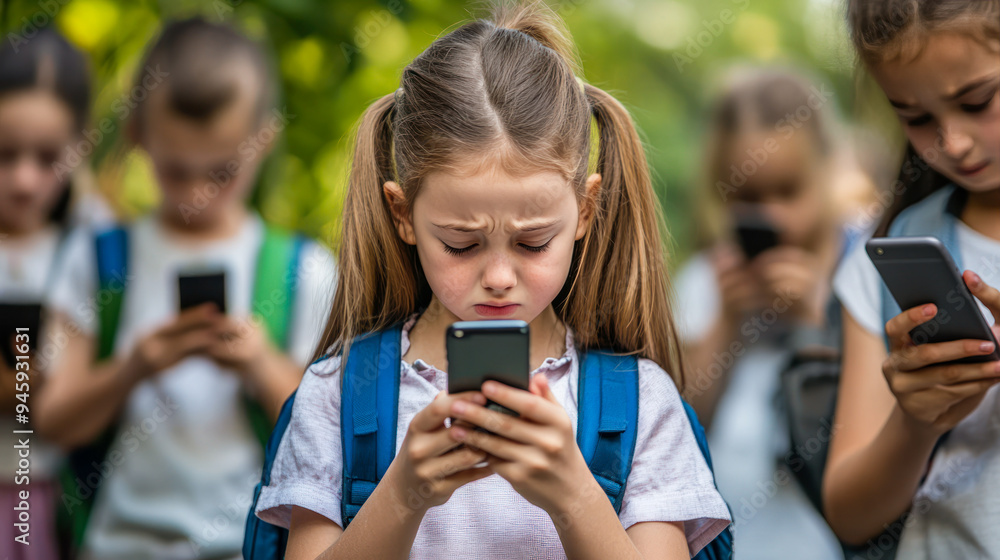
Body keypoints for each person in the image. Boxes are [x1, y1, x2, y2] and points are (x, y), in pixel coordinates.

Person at [252, 2, 732, 559]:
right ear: (403, 215)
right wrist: (403, 495)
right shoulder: (336, 397)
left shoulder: (641, 402)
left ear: (586, 209)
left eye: (533, 243)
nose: (499, 278)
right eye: (460, 244)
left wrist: (574, 496)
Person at [35, 18, 336, 560]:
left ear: (262, 139)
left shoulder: (304, 270)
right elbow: (48, 419)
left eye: (221, 172)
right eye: (176, 170)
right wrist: (136, 366)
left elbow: (327, 445)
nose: (197, 192)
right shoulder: (96, 257)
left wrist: (259, 363)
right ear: (137, 136)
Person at [824, 0, 1000, 557]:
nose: (953, 143)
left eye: (977, 102)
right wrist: (917, 423)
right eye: (916, 117)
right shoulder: (894, 256)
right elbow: (850, 515)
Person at [672, 67, 845, 559]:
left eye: (788, 192)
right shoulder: (706, 282)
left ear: (827, 171)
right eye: (747, 197)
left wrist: (816, 320)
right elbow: (677, 427)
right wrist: (724, 326)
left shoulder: (862, 273)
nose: (771, 217)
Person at [0, 27, 96, 560]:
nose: (23, 180)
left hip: (56, 501)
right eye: (5, 153)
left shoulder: (93, 251)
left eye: (46, 158)